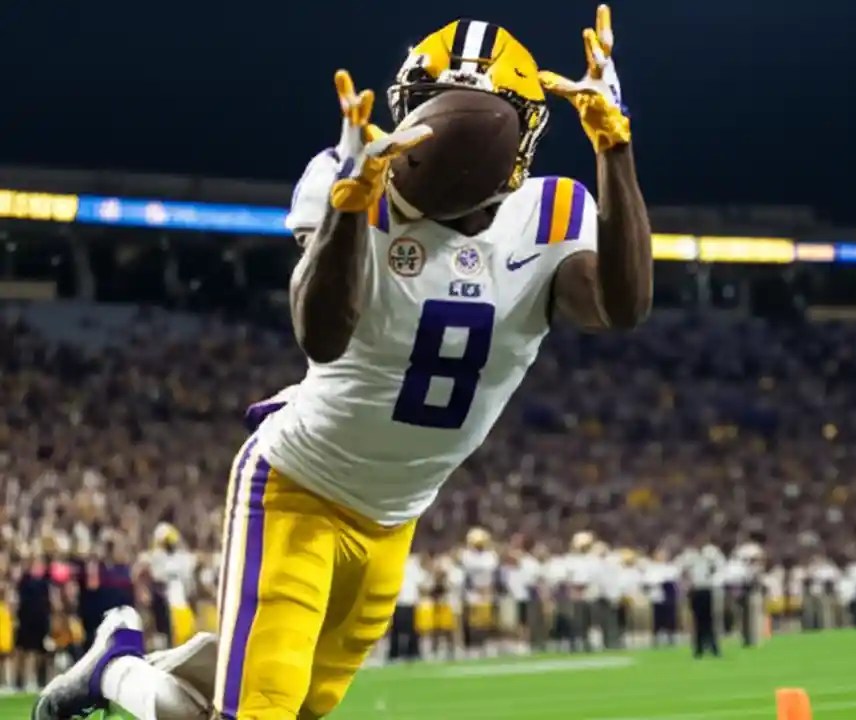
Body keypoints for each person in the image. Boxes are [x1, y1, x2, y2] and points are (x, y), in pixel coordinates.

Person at [33, 6, 651, 720]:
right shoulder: (347, 176)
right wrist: (348, 210)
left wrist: (615, 151)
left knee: (289, 709)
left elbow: (622, 306)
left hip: (395, 517)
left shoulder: (550, 215)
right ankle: (119, 673)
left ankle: (121, 664)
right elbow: (320, 333)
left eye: (439, 113)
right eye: (420, 107)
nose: (425, 130)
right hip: (298, 487)